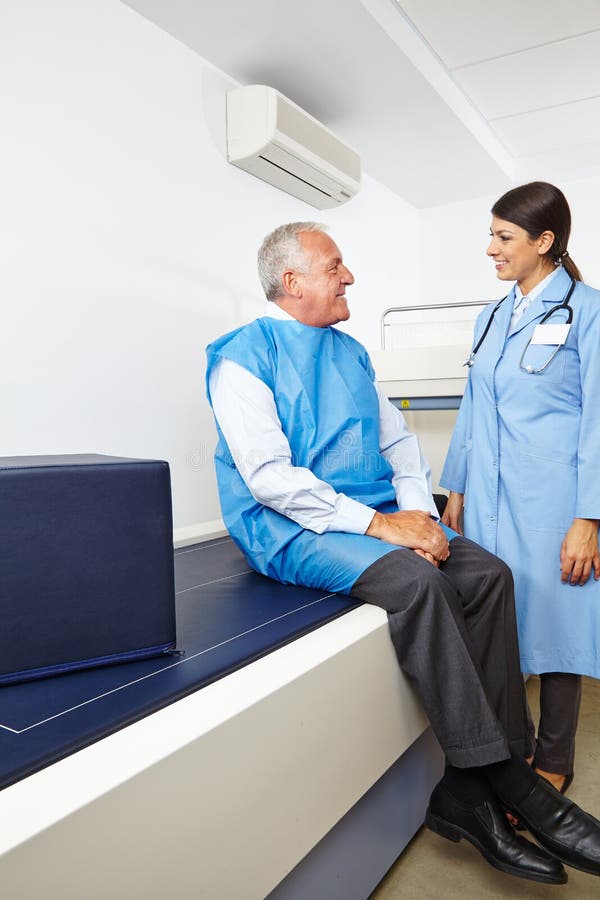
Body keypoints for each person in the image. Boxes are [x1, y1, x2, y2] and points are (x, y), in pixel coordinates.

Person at [206, 221, 600, 885]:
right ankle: (510, 781)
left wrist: (421, 517)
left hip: (376, 513)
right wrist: (382, 525)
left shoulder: (351, 353)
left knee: (488, 574)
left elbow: (397, 445)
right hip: (293, 527)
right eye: (336, 266)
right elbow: (270, 479)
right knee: (422, 586)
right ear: (293, 281)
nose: (350, 276)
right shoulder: (242, 358)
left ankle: (472, 785)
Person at [441, 182, 600, 797]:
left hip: (555, 500)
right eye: (491, 235)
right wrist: (455, 489)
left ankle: (554, 759)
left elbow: (598, 420)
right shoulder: (490, 317)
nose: (491, 248)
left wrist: (589, 518)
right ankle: (515, 749)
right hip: (487, 496)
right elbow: (473, 408)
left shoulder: (587, 311)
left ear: (544, 241)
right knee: (497, 625)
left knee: (558, 625)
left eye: (503, 237)